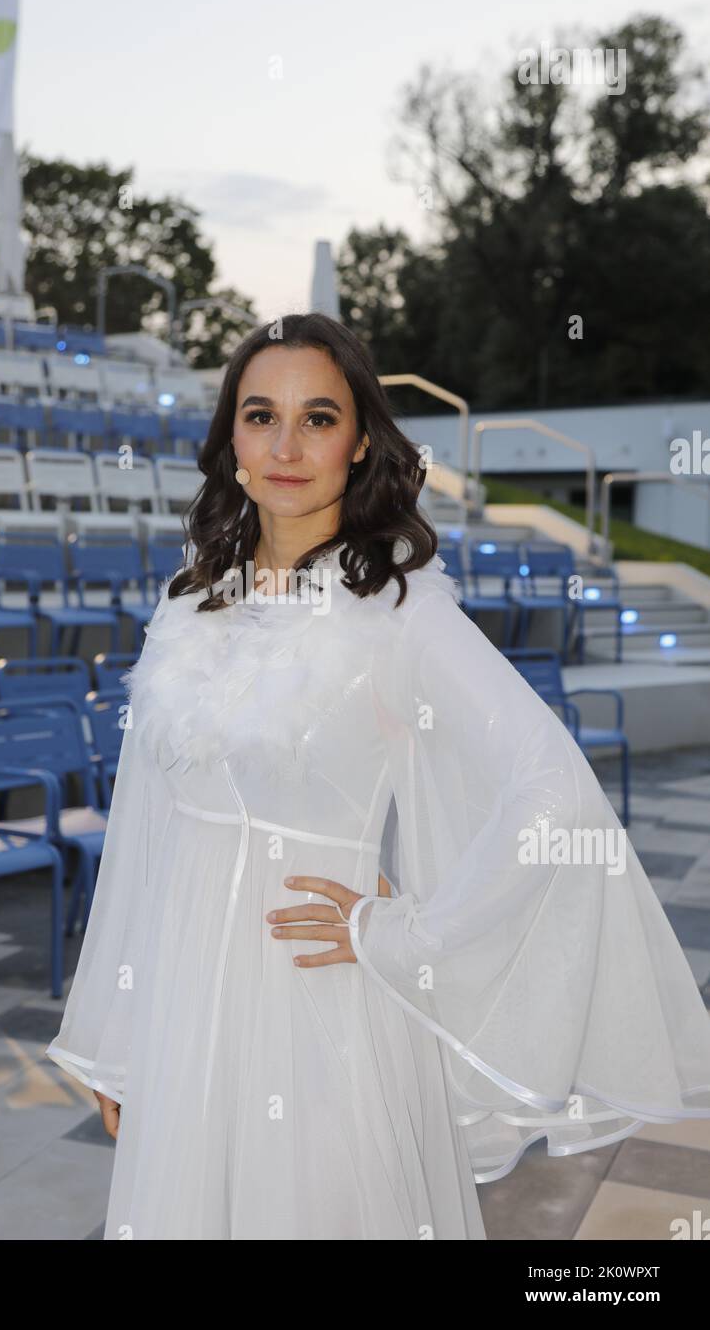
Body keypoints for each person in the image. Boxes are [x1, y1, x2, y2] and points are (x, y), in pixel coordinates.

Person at [46, 312, 710, 1240]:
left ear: (359, 443)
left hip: (317, 999)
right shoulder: (190, 601)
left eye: (318, 418)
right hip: (184, 1010)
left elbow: (551, 786)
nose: (286, 445)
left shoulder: (397, 609)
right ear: (229, 439)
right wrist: (116, 1036)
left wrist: (407, 930)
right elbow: (143, 829)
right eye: (259, 415)